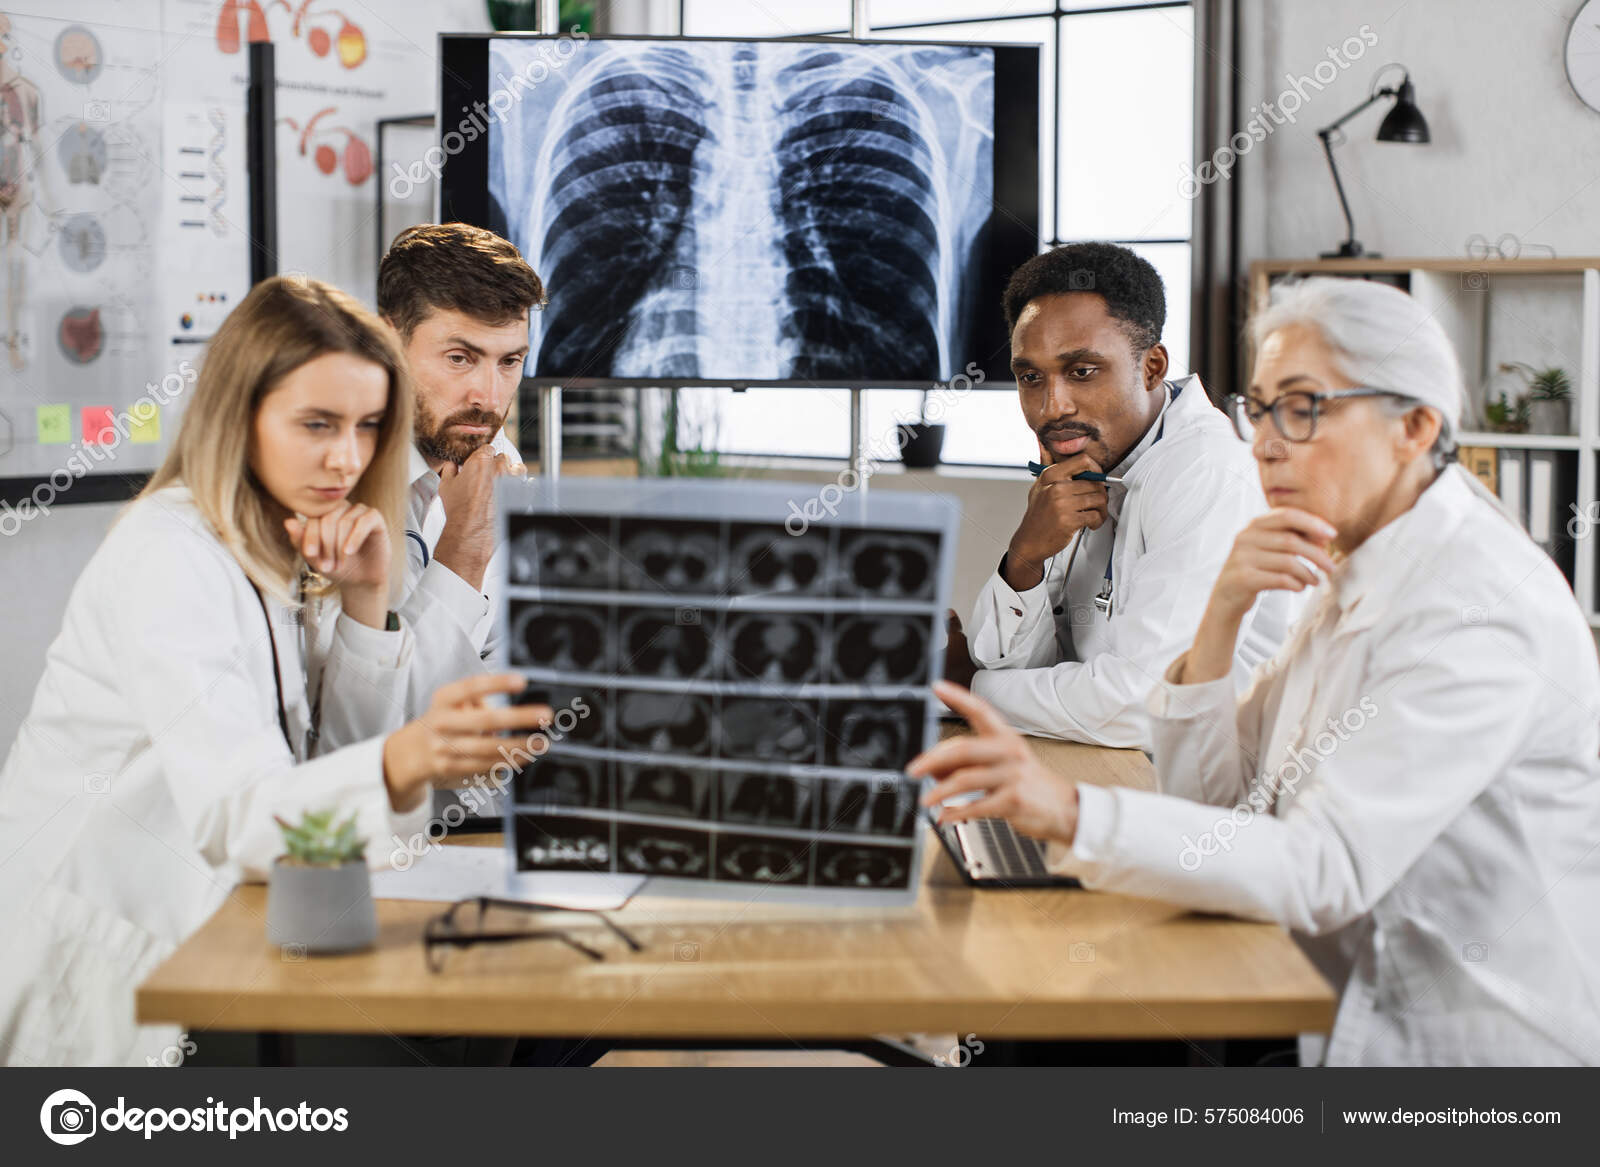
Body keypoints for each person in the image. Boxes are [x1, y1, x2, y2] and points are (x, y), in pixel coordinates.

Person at [915, 276, 1600, 1066]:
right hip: (1335, 1004)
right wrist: (1222, 616)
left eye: (1304, 408)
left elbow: (1322, 868)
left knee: (1059, 1038)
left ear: (1413, 427)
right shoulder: (1351, 563)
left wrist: (1069, 810)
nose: (1267, 442)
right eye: (1263, 408)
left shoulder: (1475, 608)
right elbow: (1216, 798)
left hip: (1465, 1064)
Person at [0, 276, 549, 1066]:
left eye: (368, 427)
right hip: (106, 974)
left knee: (505, 1030)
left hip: (237, 929)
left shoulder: (283, 540)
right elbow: (240, 813)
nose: (348, 456)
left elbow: (327, 767)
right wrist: (412, 754)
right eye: (316, 424)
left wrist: (365, 601)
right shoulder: (169, 555)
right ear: (240, 415)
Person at [947, 242, 1295, 749]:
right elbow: (1033, 668)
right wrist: (1024, 557)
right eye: (1030, 377)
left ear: (1152, 367)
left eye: (1082, 371)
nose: (1052, 405)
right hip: (1101, 762)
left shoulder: (1208, 473)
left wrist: (971, 691)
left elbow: (1150, 704)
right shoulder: (1083, 462)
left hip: (1212, 794)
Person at [377, 222, 544, 712]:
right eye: (459, 358)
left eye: (509, 362)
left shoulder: (500, 460)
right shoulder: (333, 476)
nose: (489, 398)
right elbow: (379, 718)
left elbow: (502, 674)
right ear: (387, 342)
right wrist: (464, 550)